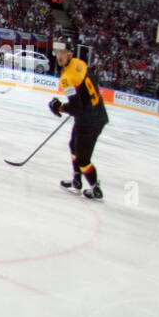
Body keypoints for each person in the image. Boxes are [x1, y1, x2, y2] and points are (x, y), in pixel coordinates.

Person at [48, 37, 108, 200]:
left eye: (62, 52)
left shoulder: (67, 78)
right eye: (57, 52)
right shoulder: (80, 63)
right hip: (93, 115)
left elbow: (75, 108)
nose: (59, 56)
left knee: (83, 159)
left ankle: (95, 189)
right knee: (73, 146)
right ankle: (76, 181)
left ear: (70, 53)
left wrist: (59, 107)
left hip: (89, 121)